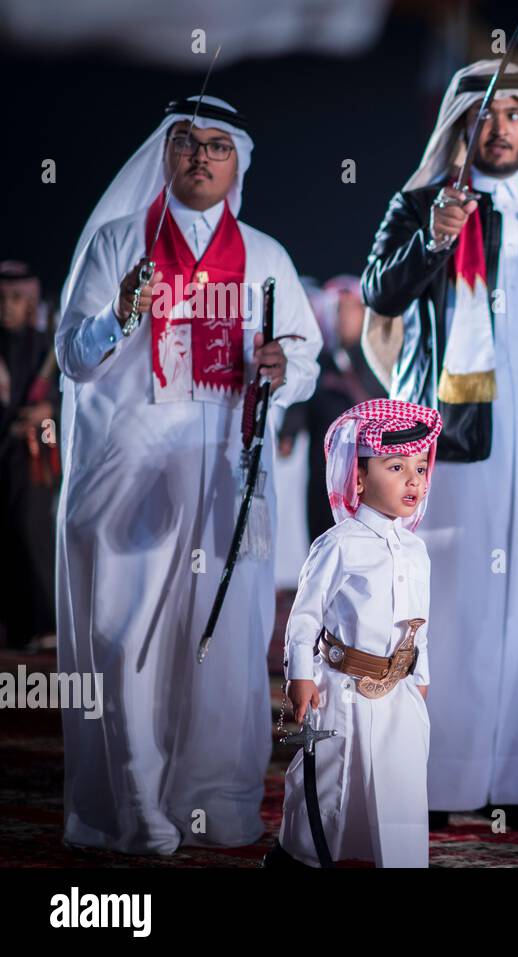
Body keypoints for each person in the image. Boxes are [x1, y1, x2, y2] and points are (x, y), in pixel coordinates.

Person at [56, 95, 322, 854]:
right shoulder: (116, 244)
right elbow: (75, 355)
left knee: (227, 641)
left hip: (226, 476)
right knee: (125, 632)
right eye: (187, 144)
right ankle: (134, 803)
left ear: (237, 163)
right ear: (166, 156)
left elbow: (301, 356)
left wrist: (284, 365)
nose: (201, 157)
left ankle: (213, 798)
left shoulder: (265, 255)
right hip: (128, 471)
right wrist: (121, 314)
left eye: (217, 146)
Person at [361, 59, 518, 831]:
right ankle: (432, 775)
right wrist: (434, 239)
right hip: (454, 436)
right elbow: (380, 293)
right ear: (461, 125)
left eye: (517, 115)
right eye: (488, 114)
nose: (502, 128)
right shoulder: (421, 203)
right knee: (450, 603)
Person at [266, 399, 441, 868]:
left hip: (399, 694)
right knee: (330, 784)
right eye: (396, 466)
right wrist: (300, 676)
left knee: (399, 784)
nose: (413, 480)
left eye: (421, 468)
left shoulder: (417, 550)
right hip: (341, 693)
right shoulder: (338, 544)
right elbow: (304, 618)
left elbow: (418, 623)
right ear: (358, 478)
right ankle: (297, 859)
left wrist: (420, 673)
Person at [282, 275, 387, 542]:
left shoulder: (378, 363)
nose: (343, 317)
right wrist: (288, 433)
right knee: (323, 539)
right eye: (338, 309)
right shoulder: (320, 364)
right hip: (323, 473)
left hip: (366, 476)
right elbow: (301, 400)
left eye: (350, 309)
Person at [0, 261, 59, 650]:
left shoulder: (46, 345)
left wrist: (47, 410)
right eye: (2, 298)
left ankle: (45, 626)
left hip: (35, 459)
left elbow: (65, 393)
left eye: (17, 298)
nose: (8, 306)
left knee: (32, 530)